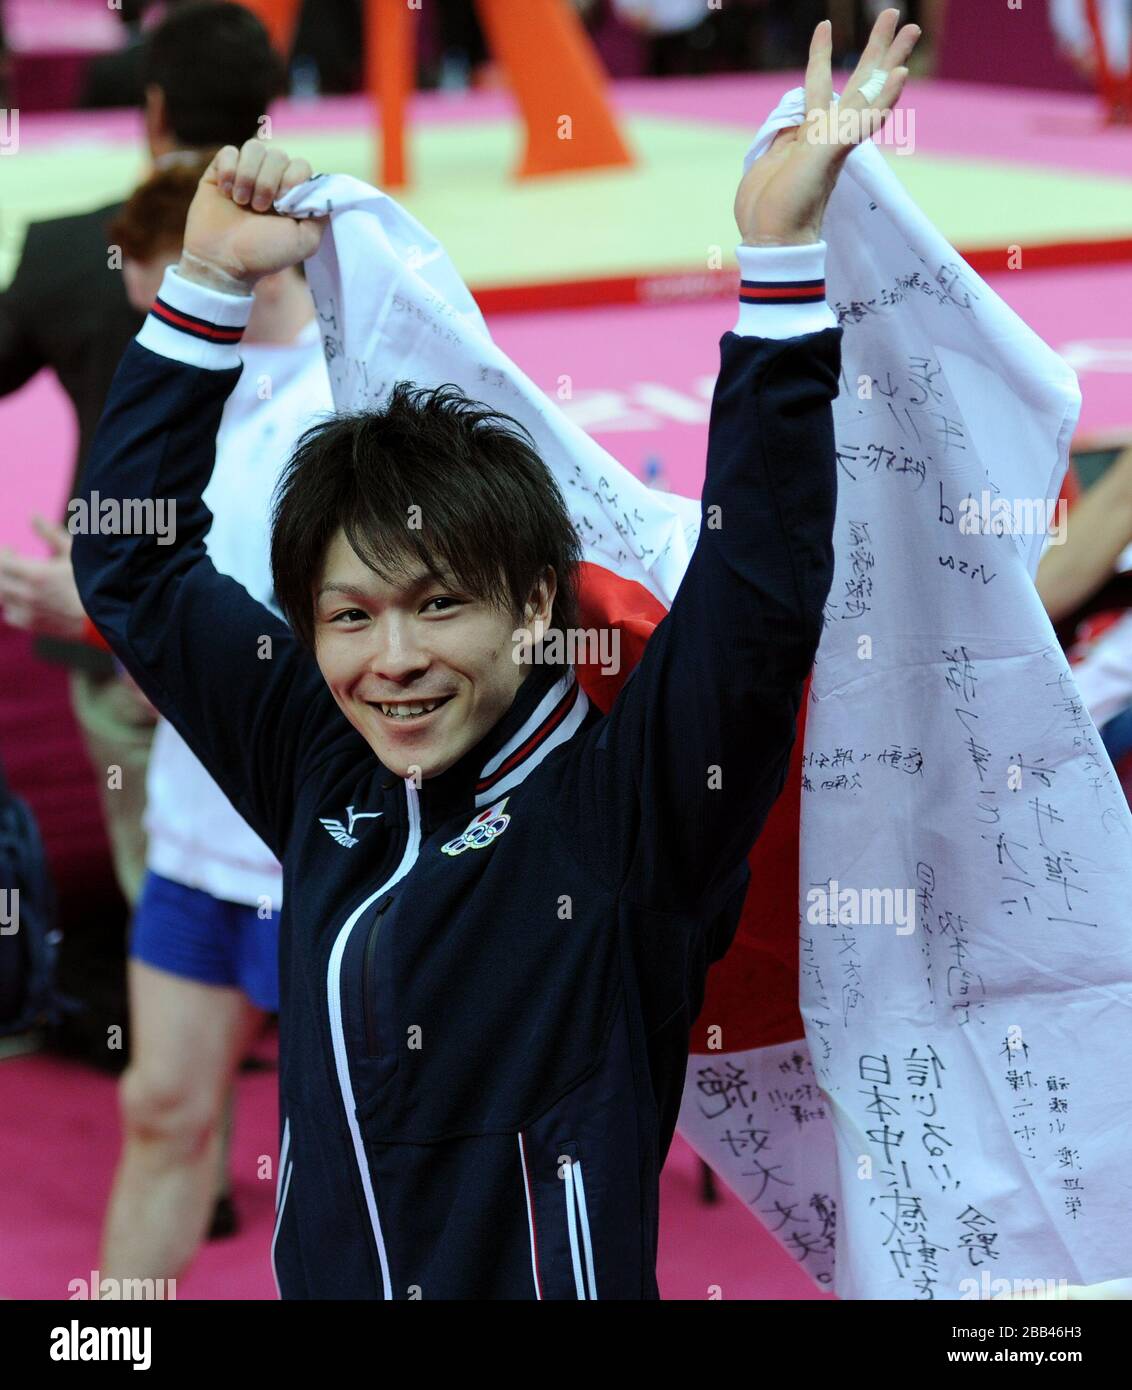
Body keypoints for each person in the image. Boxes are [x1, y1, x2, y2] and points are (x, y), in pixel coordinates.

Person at [73, 9, 920, 1300]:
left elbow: (755, 606)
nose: (392, 659)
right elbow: (134, 564)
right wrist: (203, 291)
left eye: (437, 606)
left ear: (533, 606)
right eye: (350, 616)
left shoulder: (625, 807)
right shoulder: (318, 758)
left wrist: (779, 268)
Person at [90, 155, 331, 1288]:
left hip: (326, 846)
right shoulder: (180, 379)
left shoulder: (357, 386)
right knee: (162, 1106)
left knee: (351, 1159)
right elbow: (138, 571)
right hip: (197, 829)